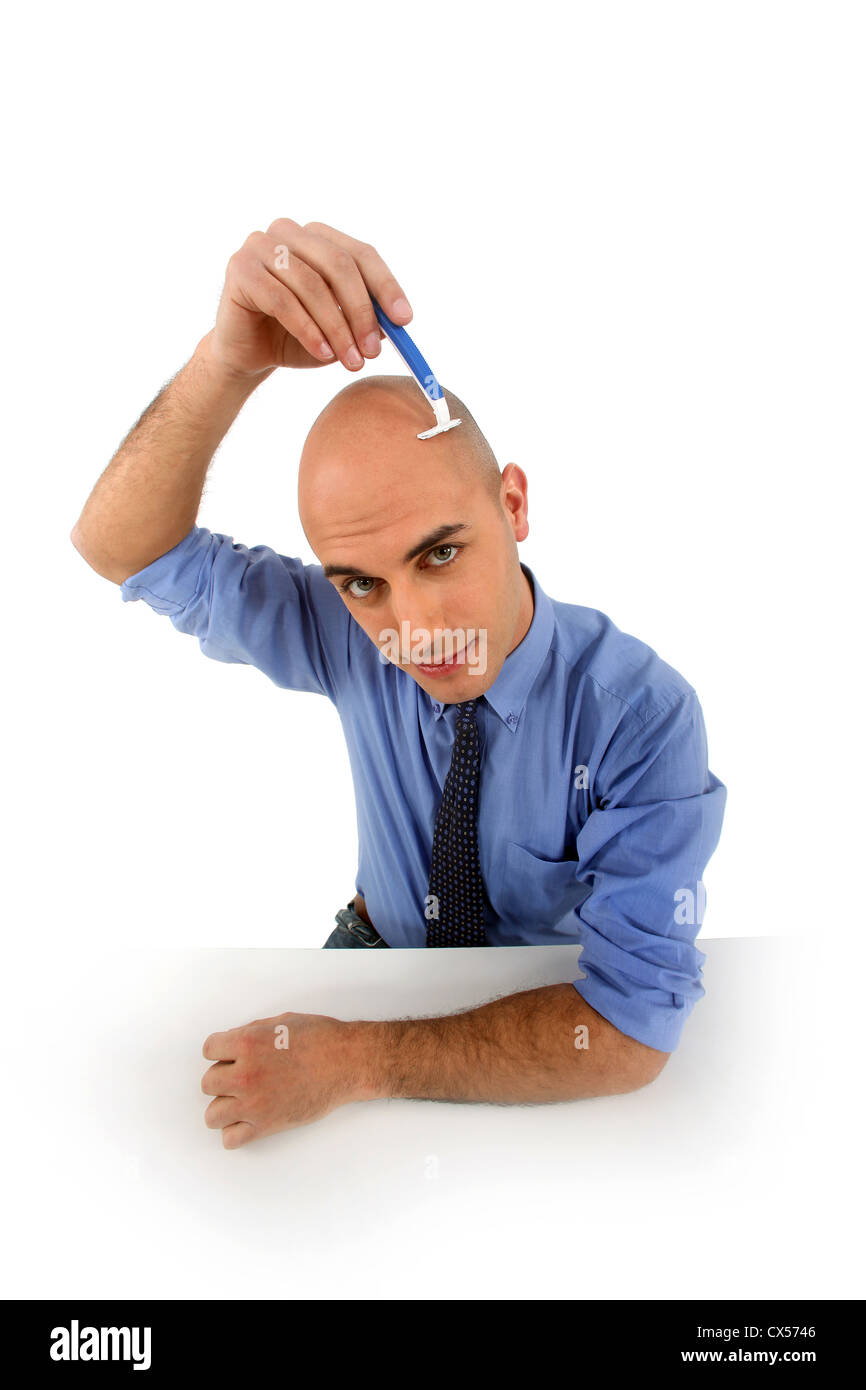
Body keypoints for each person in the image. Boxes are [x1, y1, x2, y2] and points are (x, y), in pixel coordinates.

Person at [71, 218, 726, 1149]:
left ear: (514, 504)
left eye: (443, 553)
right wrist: (229, 361)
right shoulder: (345, 635)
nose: (416, 633)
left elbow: (627, 1030)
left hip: (540, 995)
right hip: (375, 954)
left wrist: (354, 1061)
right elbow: (116, 546)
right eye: (362, 583)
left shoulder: (641, 717)